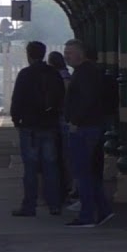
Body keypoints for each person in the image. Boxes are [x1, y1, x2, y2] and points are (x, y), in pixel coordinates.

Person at [9, 41, 65, 217]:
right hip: (49, 126)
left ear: (29, 55)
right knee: (51, 166)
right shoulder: (53, 73)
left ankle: (29, 206)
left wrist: (16, 121)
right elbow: (61, 98)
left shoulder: (25, 74)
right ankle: (54, 205)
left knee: (31, 168)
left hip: (29, 127)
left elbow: (16, 99)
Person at [63, 38, 112, 227]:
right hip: (91, 126)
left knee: (82, 172)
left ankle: (87, 216)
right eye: (66, 53)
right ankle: (103, 210)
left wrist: (75, 121)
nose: (67, 56)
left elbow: (87, 100)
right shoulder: (88, 72)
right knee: (89, 172)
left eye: (70, 52)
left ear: (81, 54)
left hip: (85, 128)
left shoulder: (85, 74)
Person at [47, 50, 74, 204]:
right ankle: (67, 187)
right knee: (65, 155)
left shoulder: (58, 78)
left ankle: (65, 188)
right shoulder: (68, 76)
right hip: (66, 118)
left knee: (62, 155)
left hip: (61, 119)